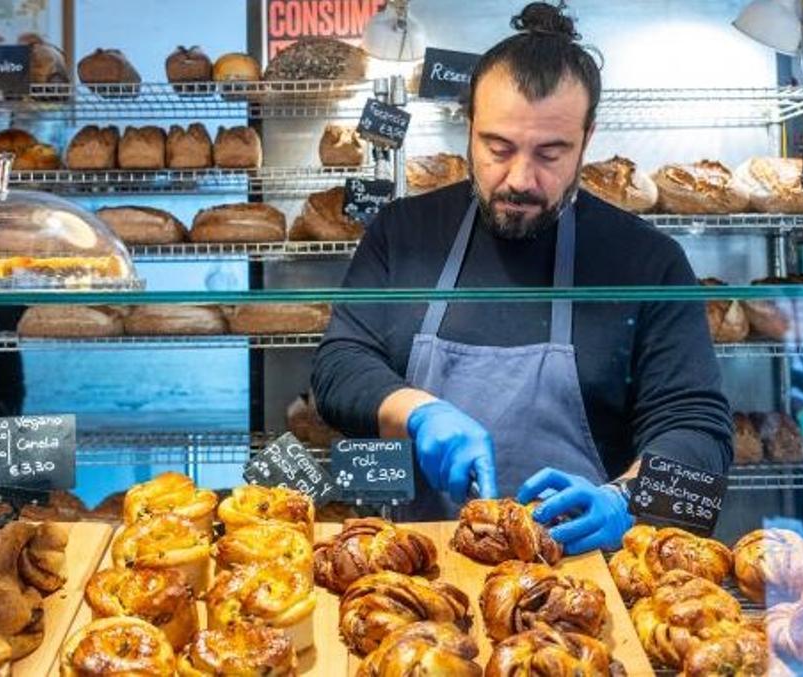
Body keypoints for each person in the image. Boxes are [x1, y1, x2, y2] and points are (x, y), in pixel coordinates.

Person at [311, 2, 733, 553]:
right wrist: (418, 412)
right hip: (422, 580)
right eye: (498, 147)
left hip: (586, 591)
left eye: (551, 153)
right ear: (470, 127)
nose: (520, 179)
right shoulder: (404, 231)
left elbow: (699, 434)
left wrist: (626, 500)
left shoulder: (647, 261)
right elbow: (339, 368)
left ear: (587, 138)